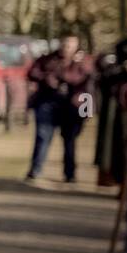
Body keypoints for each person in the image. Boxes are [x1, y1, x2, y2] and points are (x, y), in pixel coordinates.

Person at [26, 32, 94, 183]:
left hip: (72, 106)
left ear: (76, 45)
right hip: (48, 103)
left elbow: (86, 82)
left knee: (70, 140)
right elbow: (32, 72)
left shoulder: (83, 61)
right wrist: (47, 77)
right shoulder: (49, 59)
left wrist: (88, 110)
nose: (67, 47)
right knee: (43, 137)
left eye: (70, 44)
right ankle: (35, 170)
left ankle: (70, 174)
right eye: (64, 43)